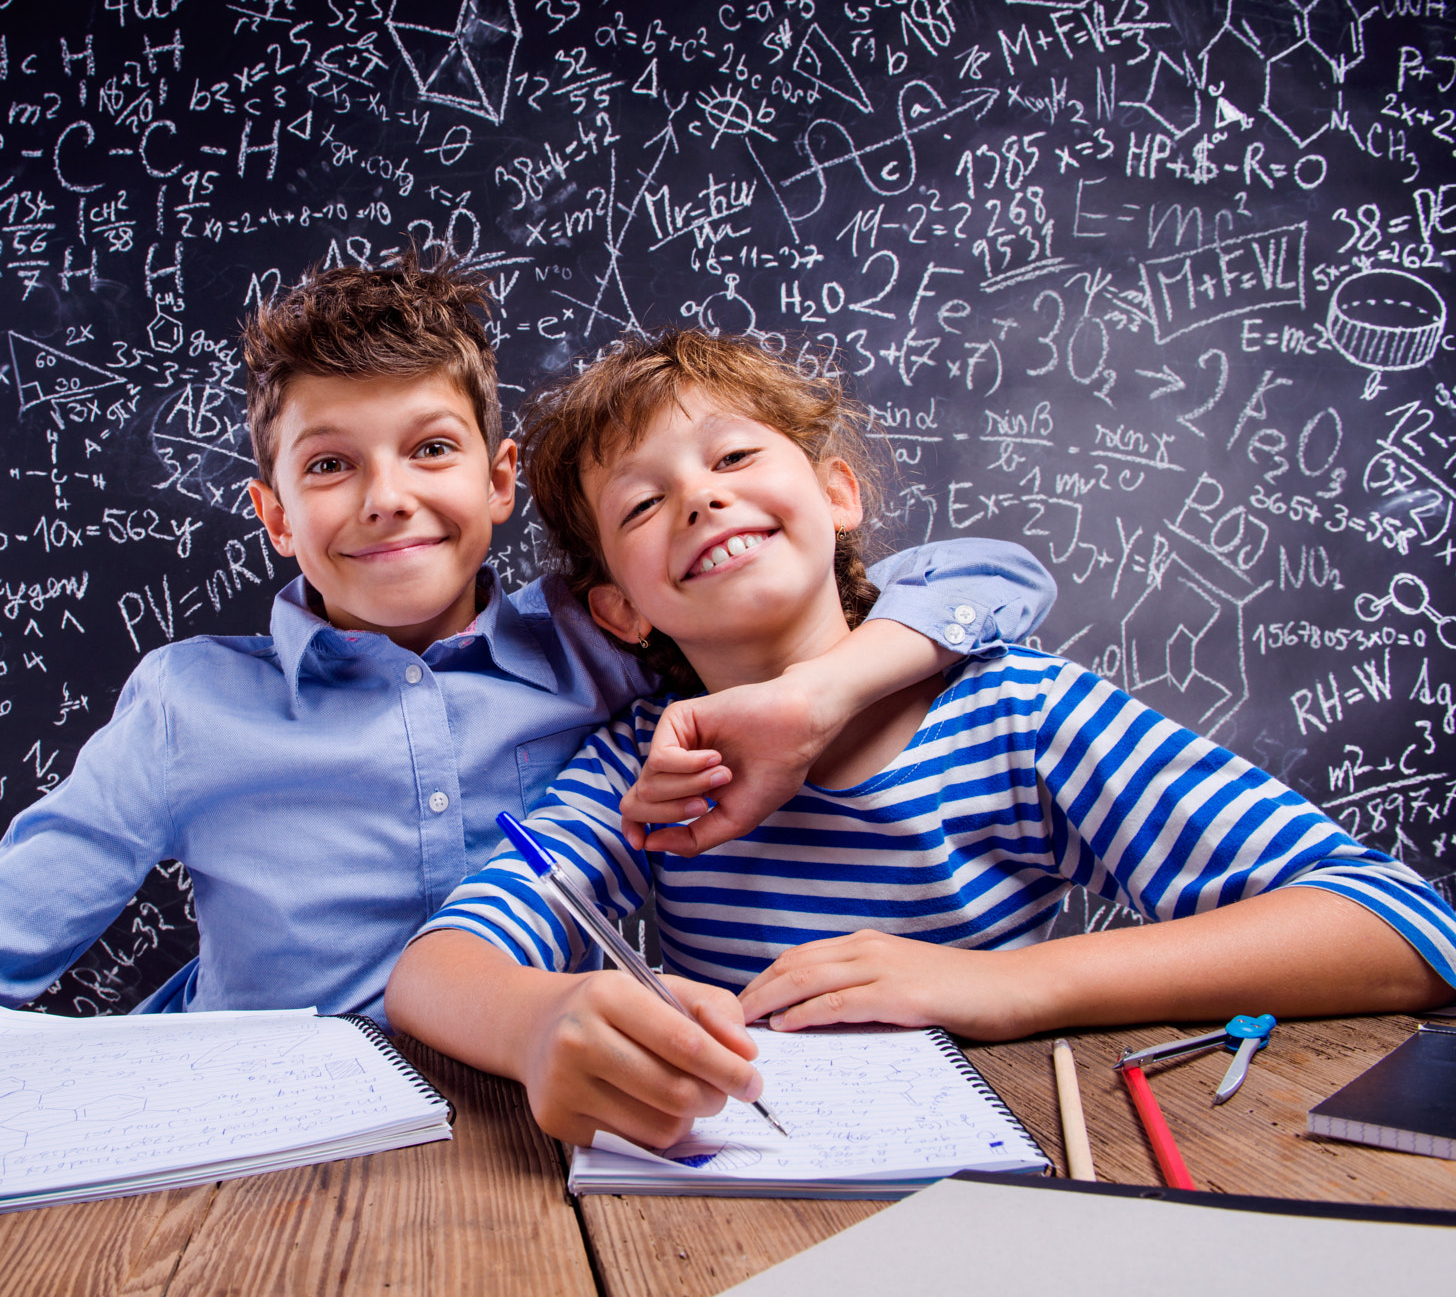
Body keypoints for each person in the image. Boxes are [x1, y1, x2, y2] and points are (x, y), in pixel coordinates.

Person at [0, 261, 1056, 1099]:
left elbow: (985, 576)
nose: (388, 497)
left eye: (432, 449)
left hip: (542, 1123)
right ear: (273, 512)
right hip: (250, 1131)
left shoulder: (612, 634)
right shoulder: (189, 702)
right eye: (329, 463)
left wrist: (816, 699)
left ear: (504, 482)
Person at [386, 328, 1456, 1150]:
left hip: (1030, 1174)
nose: (702, 496)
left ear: (835, 492)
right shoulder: (646, 765)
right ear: (619, 607)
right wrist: (541, 1023)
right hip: (733, 1197)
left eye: (733, 455)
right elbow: (434, 970)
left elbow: (1405, 924)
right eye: (643, 503)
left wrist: (1001, 982)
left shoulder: (1019, 716)